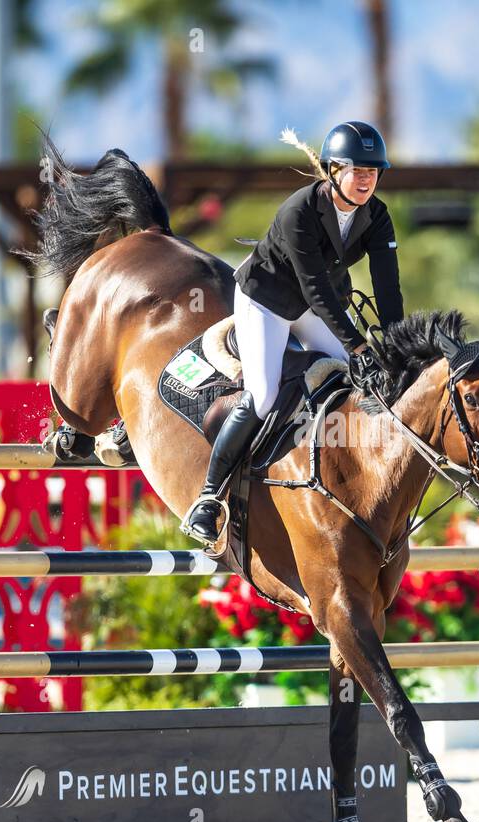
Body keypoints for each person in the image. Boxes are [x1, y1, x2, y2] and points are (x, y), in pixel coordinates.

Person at [183, 121, 405, 545]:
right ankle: (209, 498)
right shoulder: (300, 210)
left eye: (373, 173)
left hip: (315, 306)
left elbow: (387, 286)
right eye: (357, 171)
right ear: (332, 171)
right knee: (264, 395)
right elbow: (315, 288)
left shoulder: (377, 216)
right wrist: (356, 343)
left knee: (352, 382)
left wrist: (396, 348)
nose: (366, 181)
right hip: (266, 300)